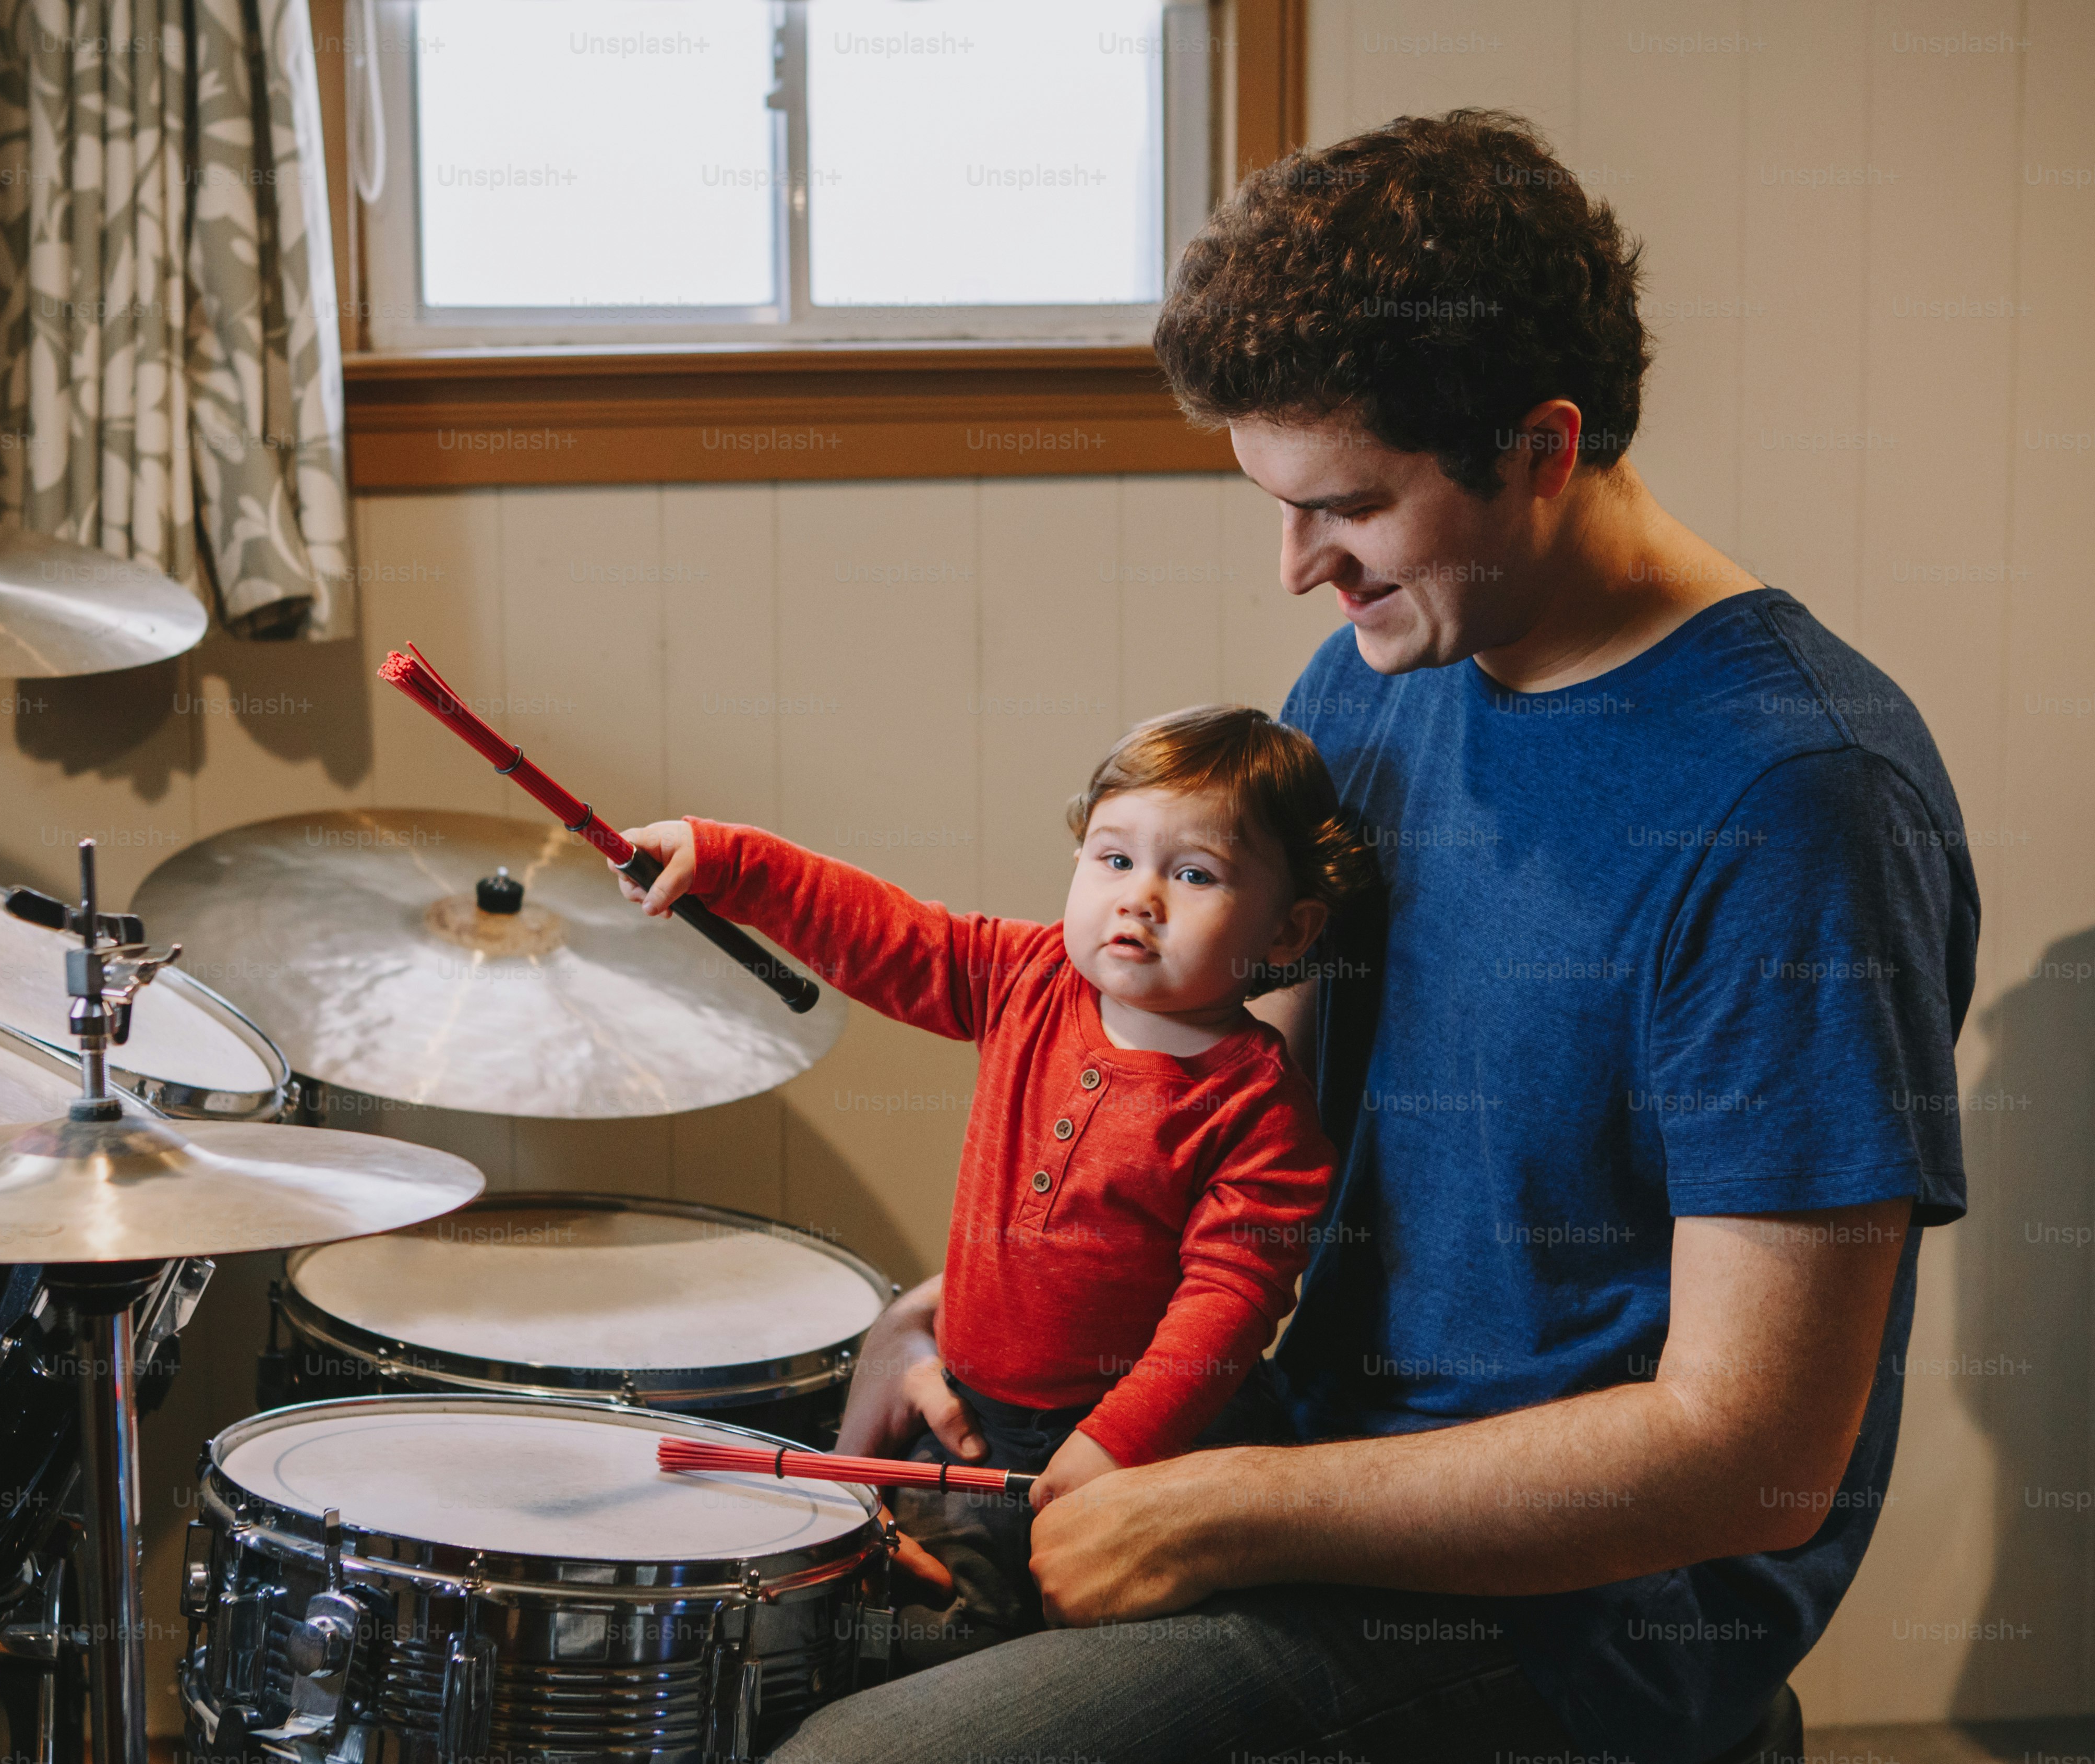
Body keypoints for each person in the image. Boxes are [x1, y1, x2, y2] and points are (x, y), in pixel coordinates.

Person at [766, 109, 1977, 1764]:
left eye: (1345, 505)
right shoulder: (1374, 675)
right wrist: (1006, 1313)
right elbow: (1237, 1132)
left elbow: (1754, 1450)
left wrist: (1225, 1515)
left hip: (1577, 1616)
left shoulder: (1797, 802)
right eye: (1275, 502)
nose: (1294, 568)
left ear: (1543, 447)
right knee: (784, 1642)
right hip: (1299, 1441)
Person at [616, 705, 1374, 1665]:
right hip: (973, 1424)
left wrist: (1117, 1443)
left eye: (1194, 875)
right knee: (896, 1634)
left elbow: (1230, 1303)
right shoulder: (1025, 975)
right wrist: (729, 862)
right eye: (1114, 858)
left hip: (1155, 1441)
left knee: (1084, 1655)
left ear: (1288, 931)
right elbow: (886, 934)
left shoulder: (1260, 1107)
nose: (1140, 898)